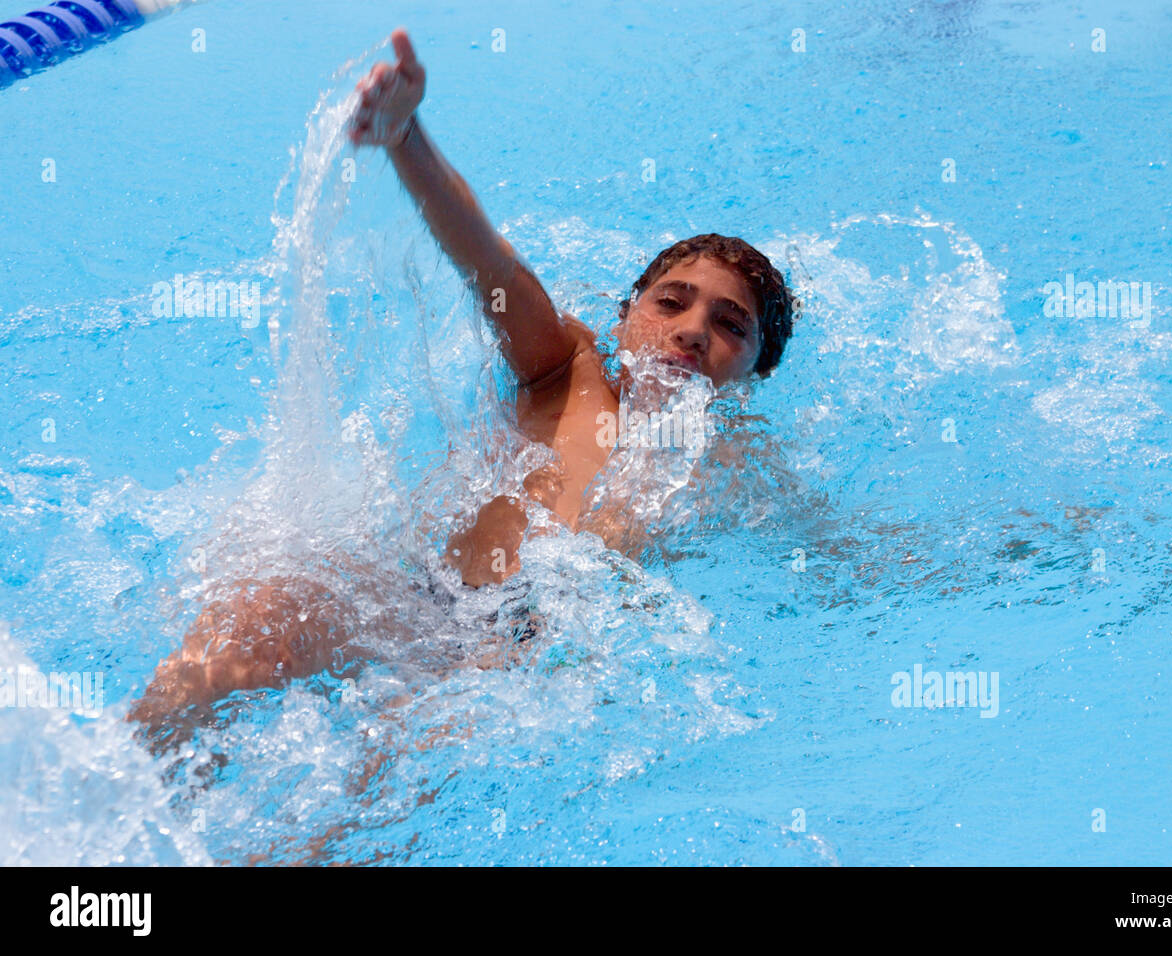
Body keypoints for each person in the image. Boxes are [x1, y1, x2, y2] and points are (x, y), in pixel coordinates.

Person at [127, 27, 796, 736]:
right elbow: (489, 263)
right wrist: (404, 138)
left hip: (523, 661)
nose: (693, 329)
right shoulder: (563, 368)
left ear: (755, 371)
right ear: (624, 313)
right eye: (672, 301)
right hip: (422, 598)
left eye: (732, 326)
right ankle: (111, 780)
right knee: (258, 616)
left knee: (383, 777)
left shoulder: (735, 465)